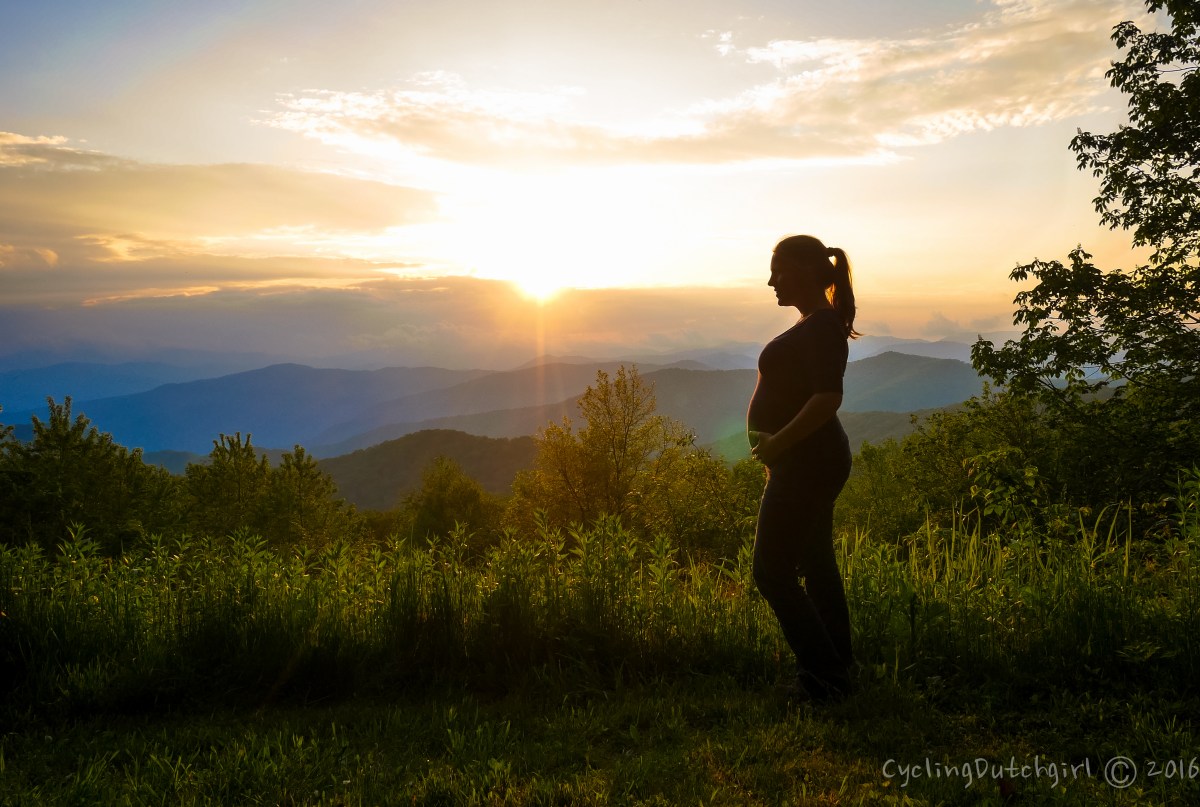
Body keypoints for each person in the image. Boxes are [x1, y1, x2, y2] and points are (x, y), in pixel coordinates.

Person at [747, 234, 859, 702]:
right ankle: (838, 670)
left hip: (807, 462)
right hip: (807, 460)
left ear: (810, 271)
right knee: (815, 564)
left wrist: (777, 444)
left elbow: (827, 398)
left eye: (780, 270)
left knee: (771, 571)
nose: (772, 281)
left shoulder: (818, 327)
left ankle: (823, 677)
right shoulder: (817, 324)